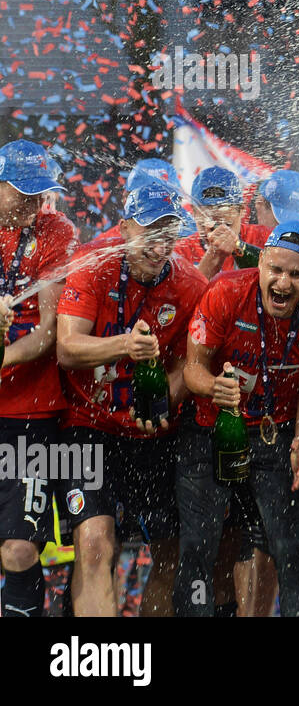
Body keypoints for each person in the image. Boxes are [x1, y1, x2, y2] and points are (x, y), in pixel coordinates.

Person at [177, 221, 299, 617]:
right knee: (199, 546)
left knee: (291, 548)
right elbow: (192, 368)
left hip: (277, 436)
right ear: (260, 265)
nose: (283, 283)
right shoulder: (225, 292)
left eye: (296, 274)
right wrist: (211, 387)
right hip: (211, 429)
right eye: (275, 270)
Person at [55, 180, 207, 616]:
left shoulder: (190, 284)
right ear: (123, 229)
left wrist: (165, 404)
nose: (159, 246)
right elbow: (67, 348)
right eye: (149, 233)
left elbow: (190, 362)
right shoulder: (91, 264)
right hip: (88, 423)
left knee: (168, 547)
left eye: (169, 235)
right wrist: (125, 345)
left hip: (153, 432)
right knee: (95, 543)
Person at [0, 140, 77, 618]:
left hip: (30, 411)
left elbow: (52, 330)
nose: (33, 203)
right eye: (21, 192)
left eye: (40, 192)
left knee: (20, 550)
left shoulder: (56, 231)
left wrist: (3, 356)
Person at [175, 167, 270, 279]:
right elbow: (188, 296)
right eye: (205, 225)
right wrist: (213, 256)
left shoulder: (265, 238)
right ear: (194, 213)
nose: (215, 234)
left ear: (242, 210)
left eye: (227, 224)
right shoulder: (180, 253)